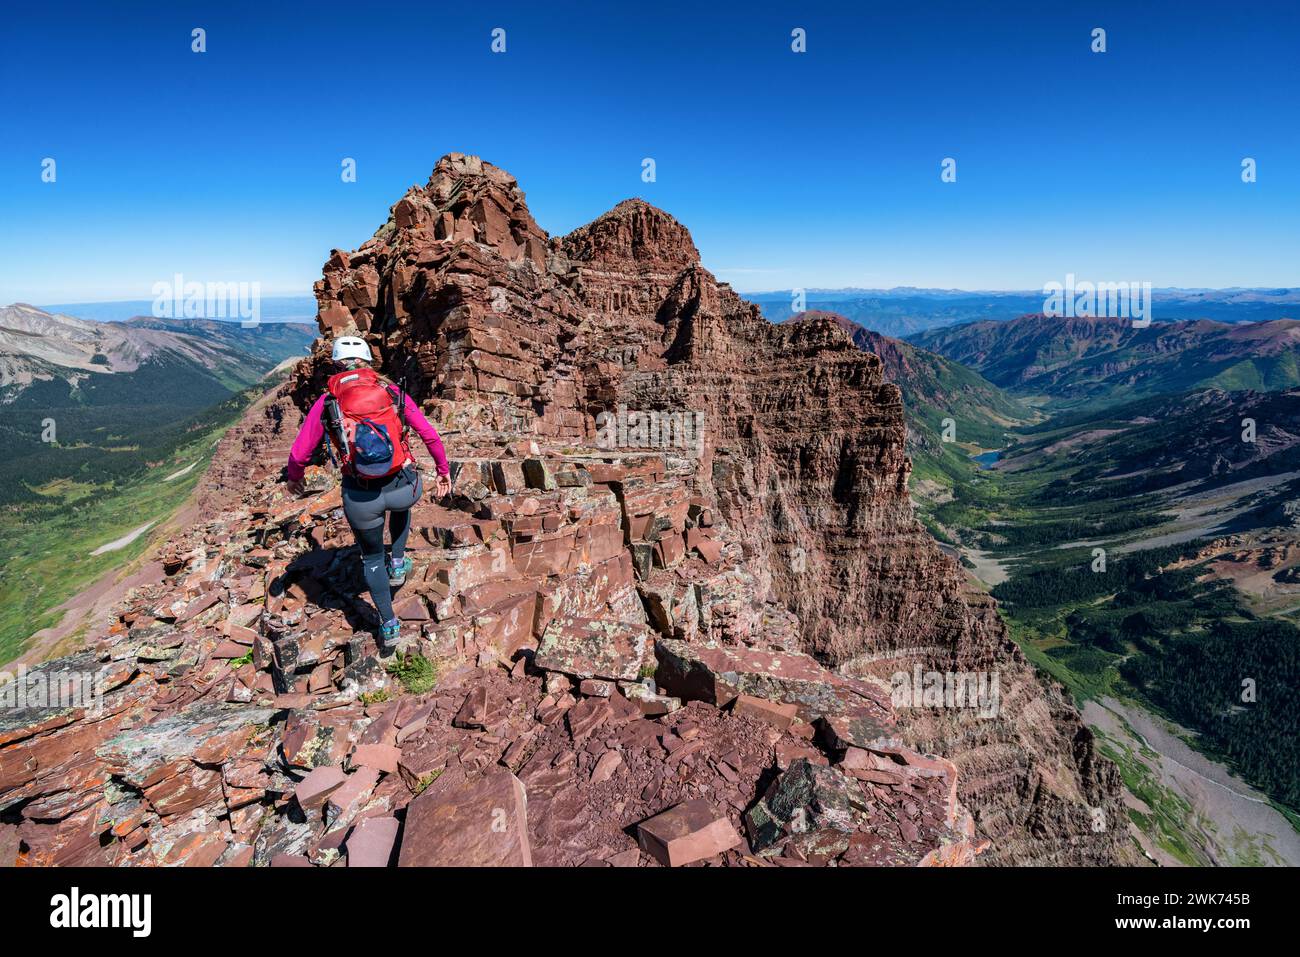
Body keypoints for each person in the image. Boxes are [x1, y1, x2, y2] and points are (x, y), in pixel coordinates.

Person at [285, 336, 452, 650]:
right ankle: (399, 561)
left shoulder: (328, 403)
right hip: (403, 487)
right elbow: (428, 434)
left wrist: (295, 479)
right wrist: (443, 471)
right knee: (401, 506)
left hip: (361, 497)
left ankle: (388, 625)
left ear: (337, 364)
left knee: (372, 559)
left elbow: (298, 455)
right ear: (367, 361)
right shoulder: (390, 391)